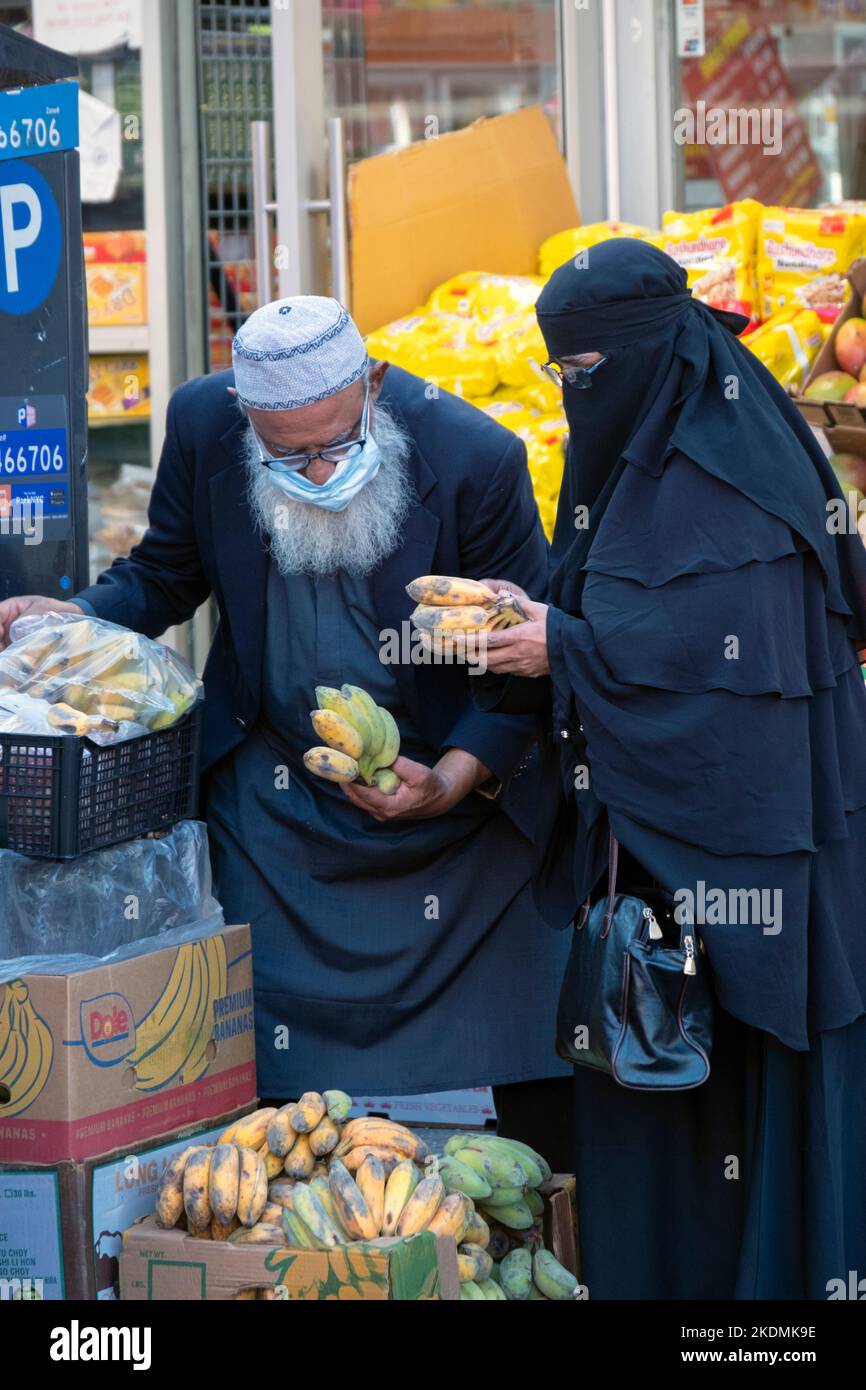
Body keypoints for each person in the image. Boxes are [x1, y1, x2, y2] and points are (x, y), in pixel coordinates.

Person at [0, 296, 570, 1160]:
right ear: (243, 417)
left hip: (449, 807)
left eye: (336, 446)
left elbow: (524, 660)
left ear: (372, 388)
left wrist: (452, 778)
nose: (312, 471)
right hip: (278, 800)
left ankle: (531, 1188)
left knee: (516, 1016)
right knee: (259, 1056)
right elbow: (163, 575)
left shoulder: (472, 456)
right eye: (285, 452)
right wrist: (70, 621)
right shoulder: (202, 424)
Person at [480, 238, 866, 1299]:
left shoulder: (719, 472)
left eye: (584, 373)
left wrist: (566, 646)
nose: (573, 395)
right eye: (559, 373)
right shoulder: (668, 431)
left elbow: (729, 664)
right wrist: (551, 626)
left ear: (643, 353)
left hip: (743, 858)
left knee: (715, 1106)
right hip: (671, 857)